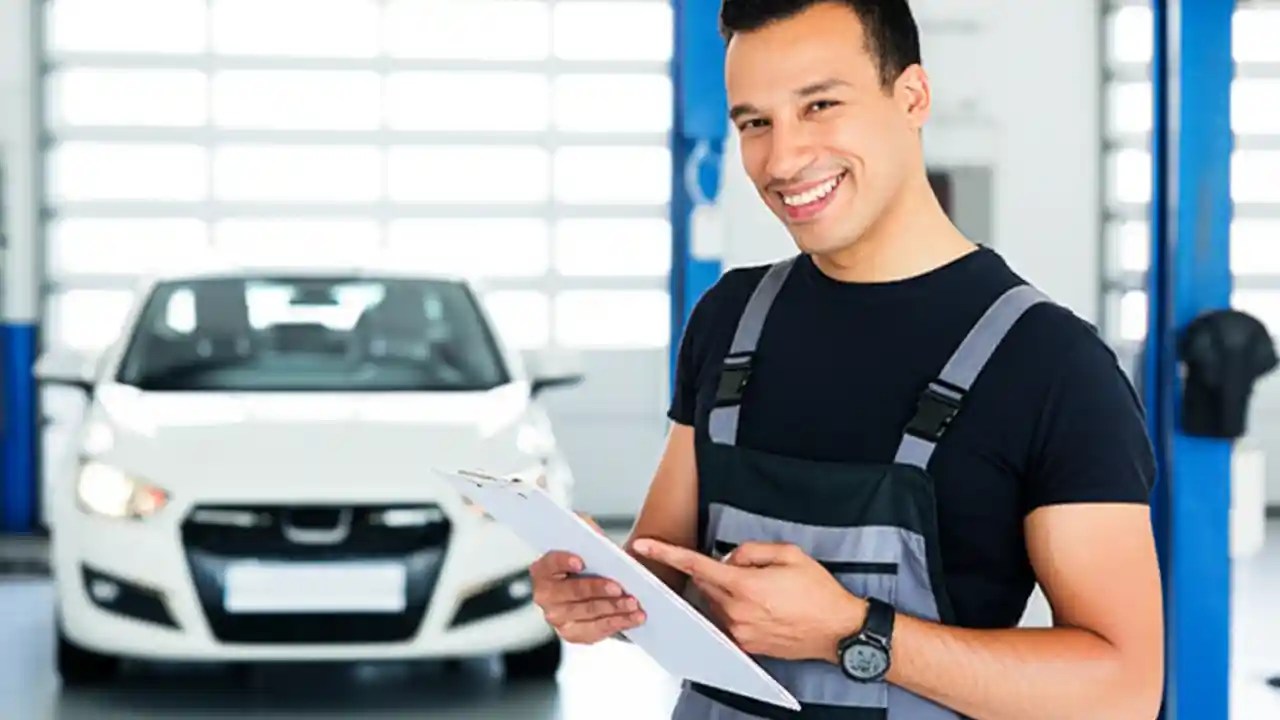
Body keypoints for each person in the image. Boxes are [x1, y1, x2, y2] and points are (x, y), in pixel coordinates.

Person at [528, 1, 1164, 718]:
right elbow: (666, 570)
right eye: (755, 123)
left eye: (820, 105)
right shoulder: (729, 319)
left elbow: (1123, 691)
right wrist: (603, 590)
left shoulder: (1053, 366)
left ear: (912, 96)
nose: (782, 159)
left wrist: (853, 632)